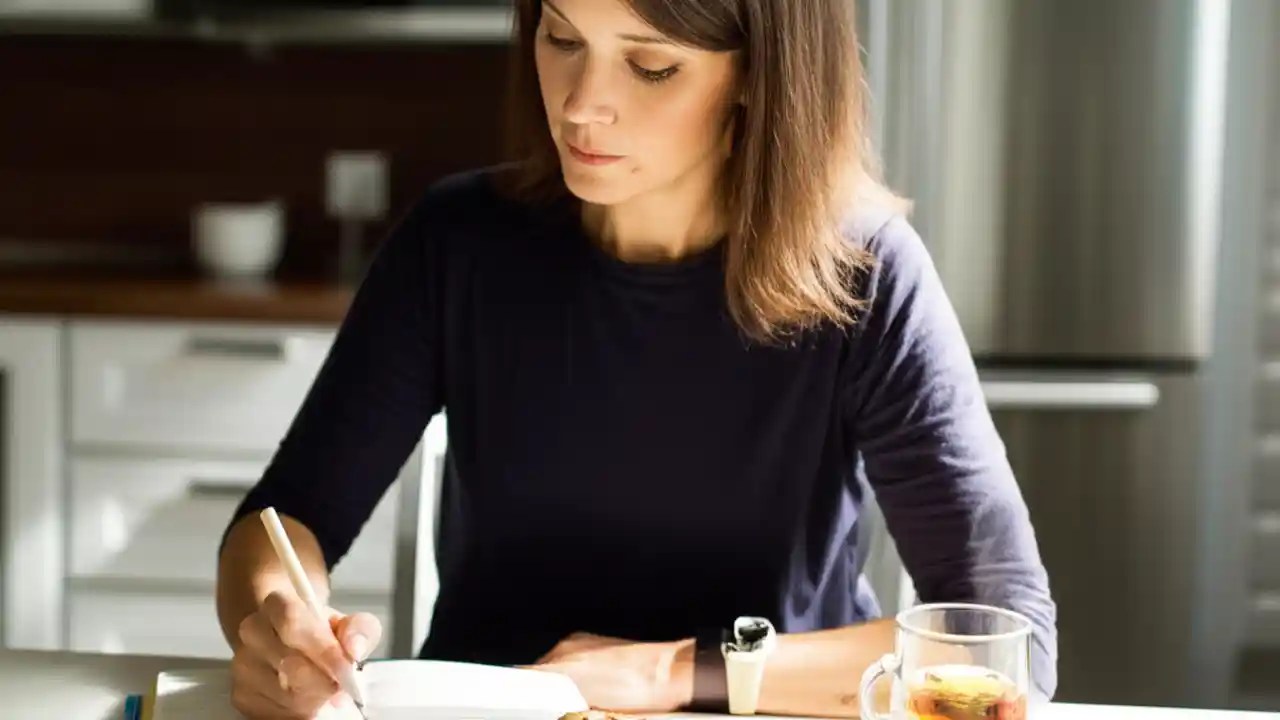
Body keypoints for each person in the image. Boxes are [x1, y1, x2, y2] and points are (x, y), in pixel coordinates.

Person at [215, 0, 1058, 717]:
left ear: (759, 74)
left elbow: (1007, 639)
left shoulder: (867, 276)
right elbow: (284, 518)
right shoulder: (456, 244)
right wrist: (278, 623)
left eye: (651, 66)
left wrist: (664, 670)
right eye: (562, 38)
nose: (583, 104)